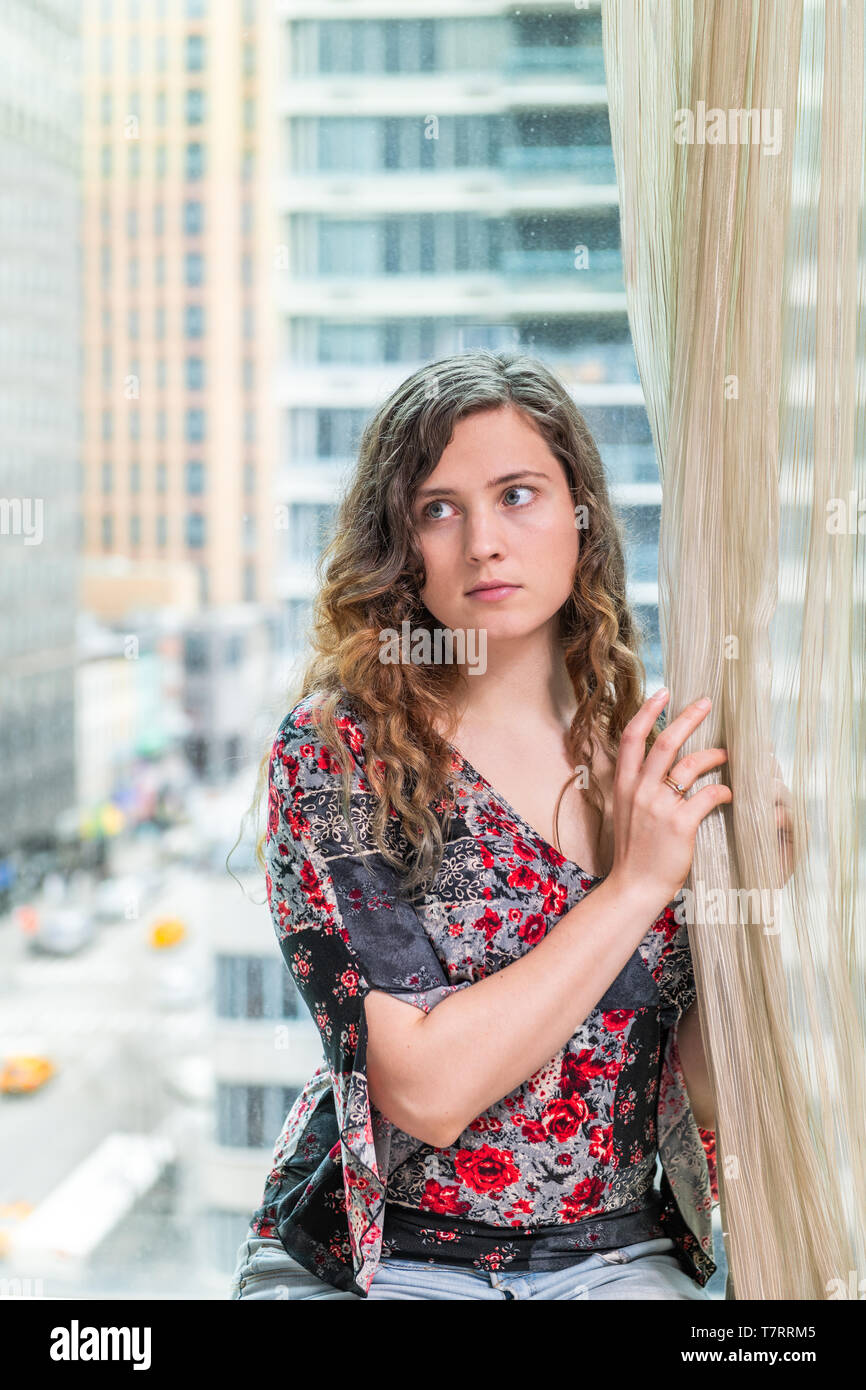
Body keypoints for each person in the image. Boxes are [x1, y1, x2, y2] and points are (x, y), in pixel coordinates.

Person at [228, 349, 731, 1302]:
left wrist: (770, 893)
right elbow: (427, 1093)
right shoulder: (337, 752)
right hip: (388, 1261)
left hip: (616, 1253)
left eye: (519, 494)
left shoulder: (648, 757)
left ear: (581, 518)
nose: (484, 543)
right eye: (438, 508)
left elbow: (694, 1085)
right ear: (399, 543)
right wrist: (634, 888)